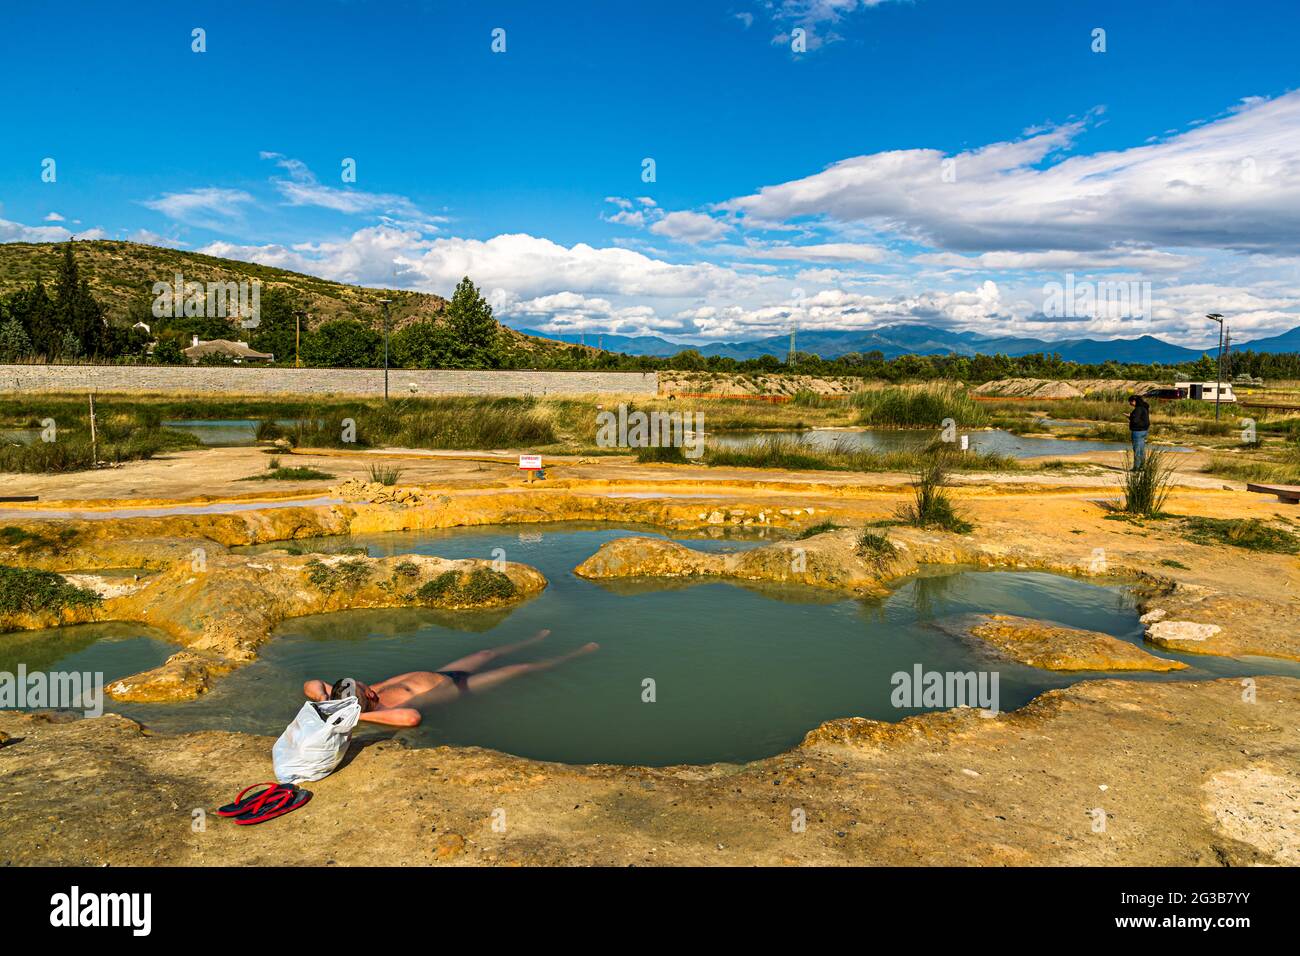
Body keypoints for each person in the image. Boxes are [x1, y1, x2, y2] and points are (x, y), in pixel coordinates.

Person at [302, 630, 597, 728]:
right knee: (518, 669)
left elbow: (312, 684)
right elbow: (412, 719)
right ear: (362, 702)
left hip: (443, 672)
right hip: (459, 687)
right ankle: (576, 655)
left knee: (486, 651)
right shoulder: (381, 711)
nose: (368, 685)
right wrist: (353, 718)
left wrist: (325, 702)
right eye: (364, 689)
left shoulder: (354, 695)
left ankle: (534, 638)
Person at [1127, 393, 1151, 467]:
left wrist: (1130, 417)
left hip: (1137, 431)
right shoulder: (1144, 408)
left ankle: (1137, 467)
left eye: (1130, 402)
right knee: (1141, 450)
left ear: (1134, 401)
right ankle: (1142, 466)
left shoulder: (1138, 409)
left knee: (1137, 450)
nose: (1130, 403)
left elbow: (1135, 420)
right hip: (1144, 431)